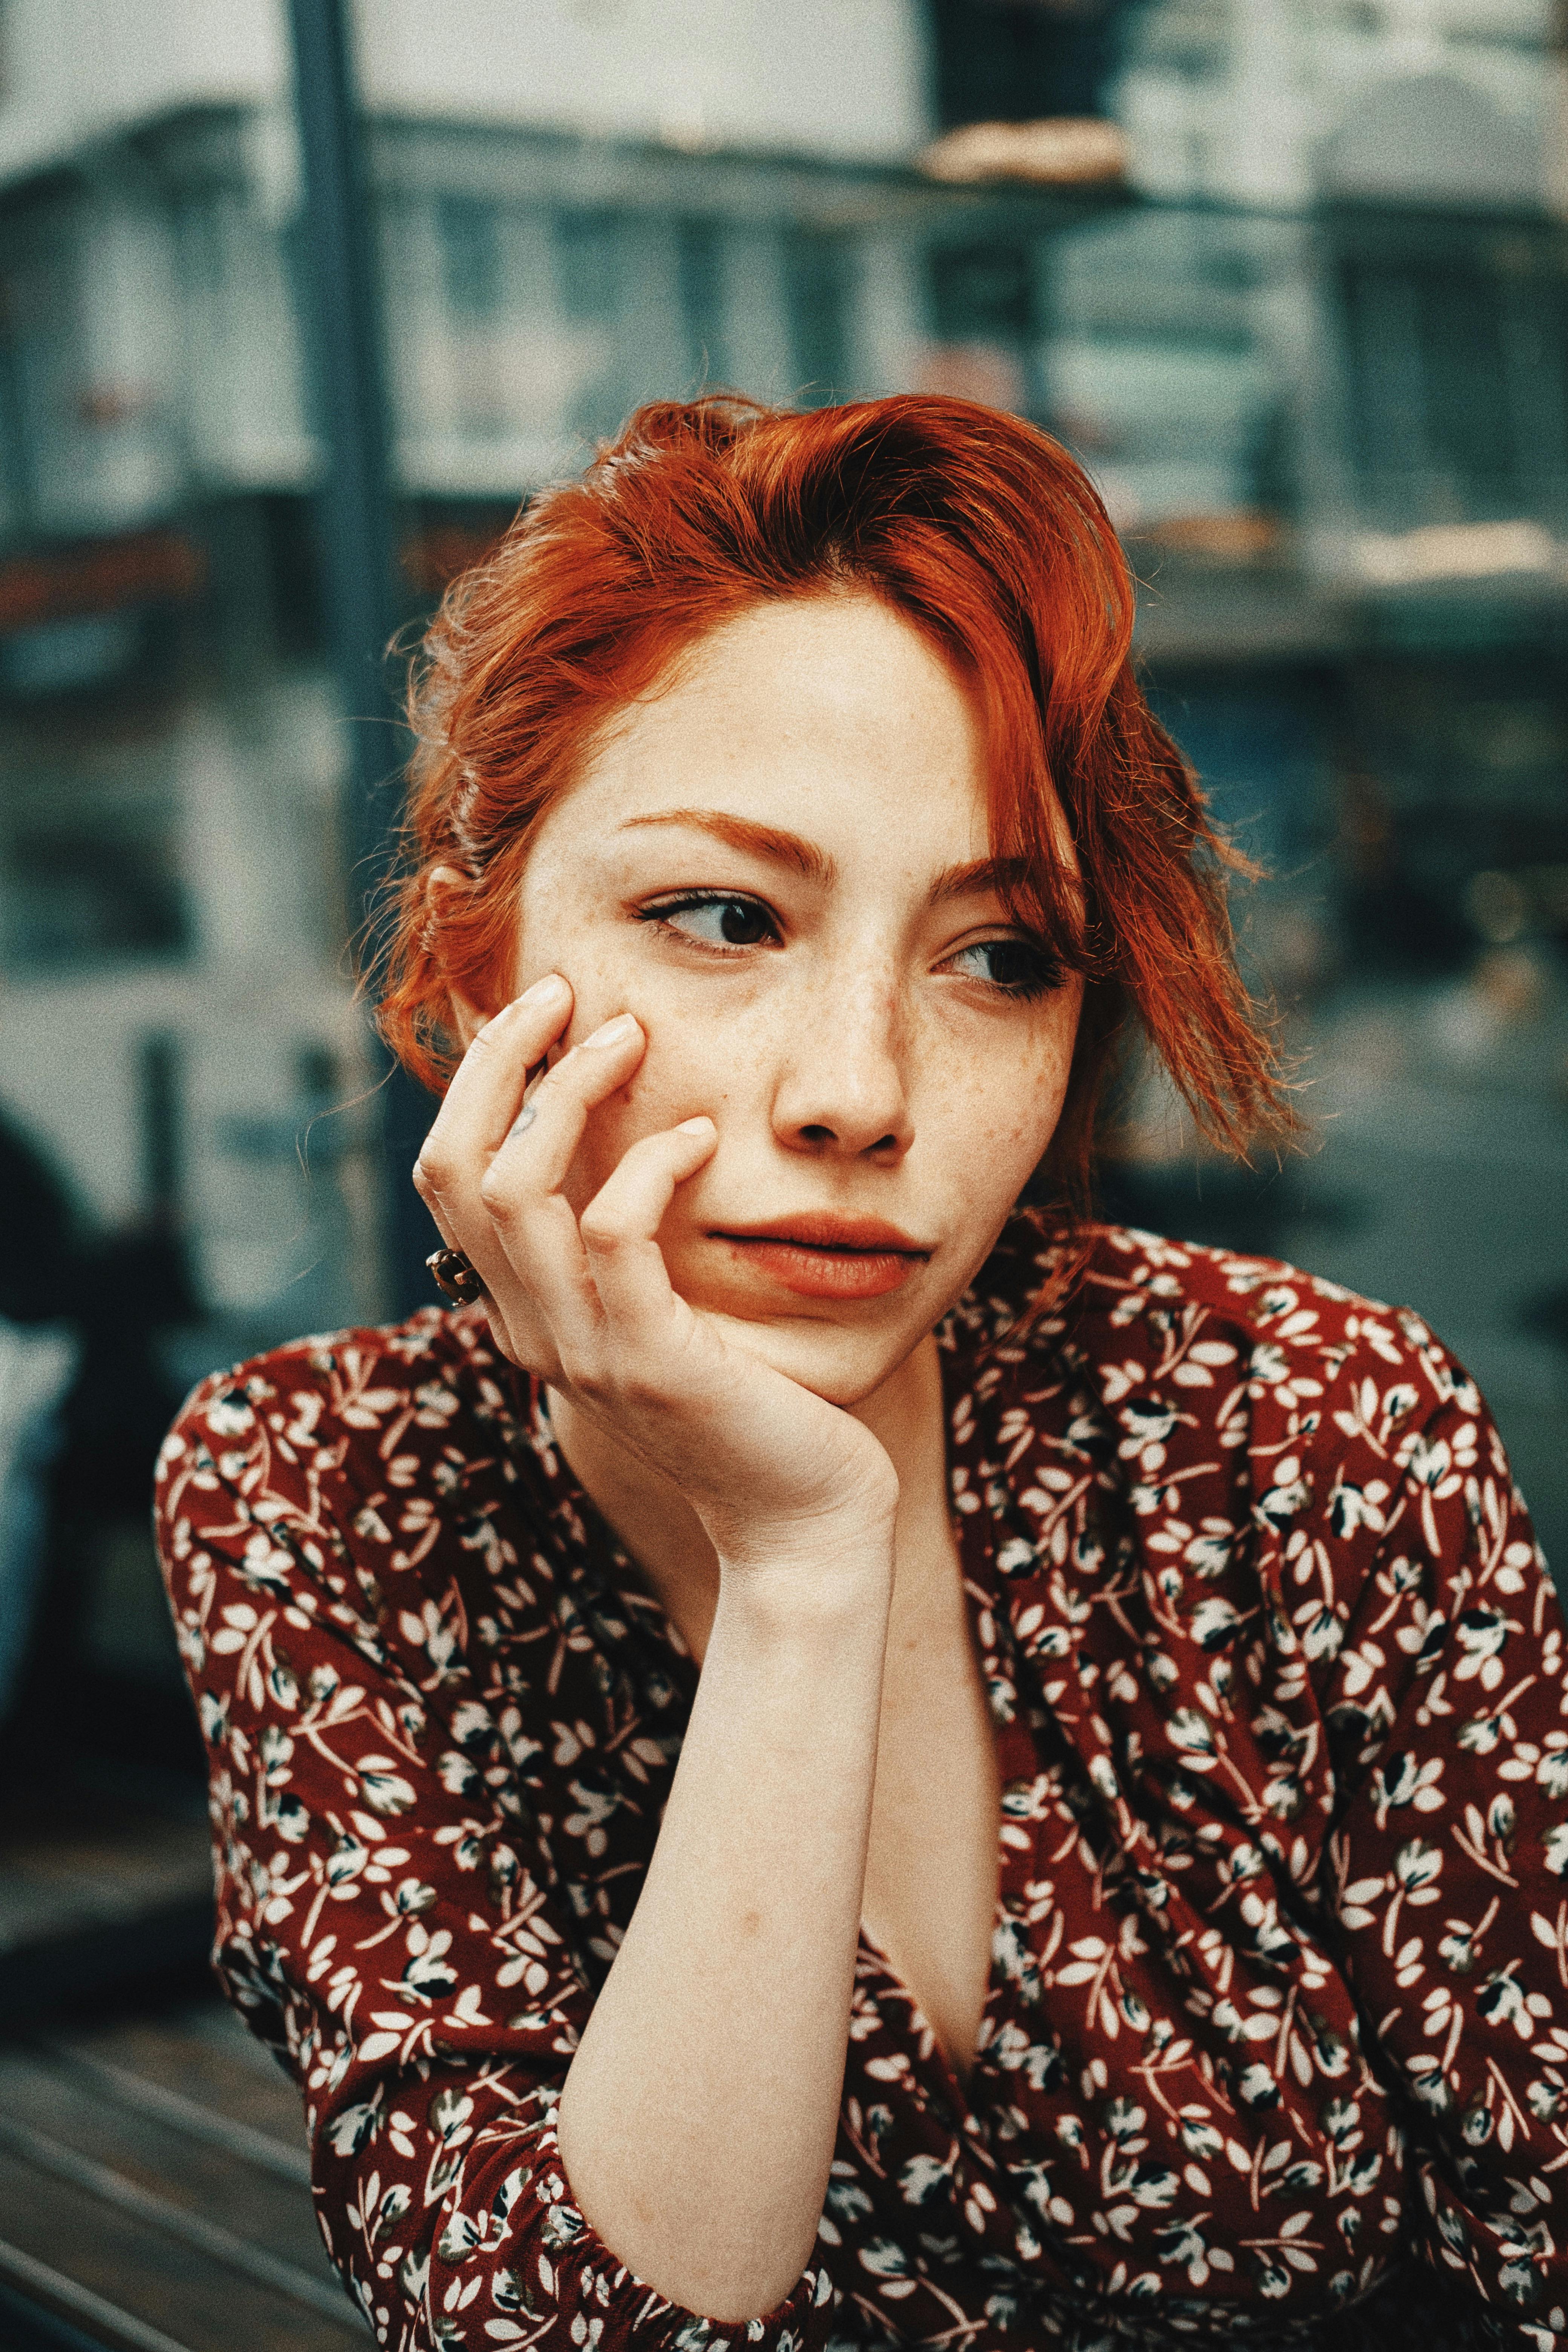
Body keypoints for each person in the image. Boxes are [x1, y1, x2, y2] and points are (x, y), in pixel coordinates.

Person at [154, 397, 1566, 2352]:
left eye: (1001, 957)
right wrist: (805, 1560)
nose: (855, 1093)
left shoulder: (1295, 1429)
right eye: (724, 918)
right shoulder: (325, 1488)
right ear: (480, 971)